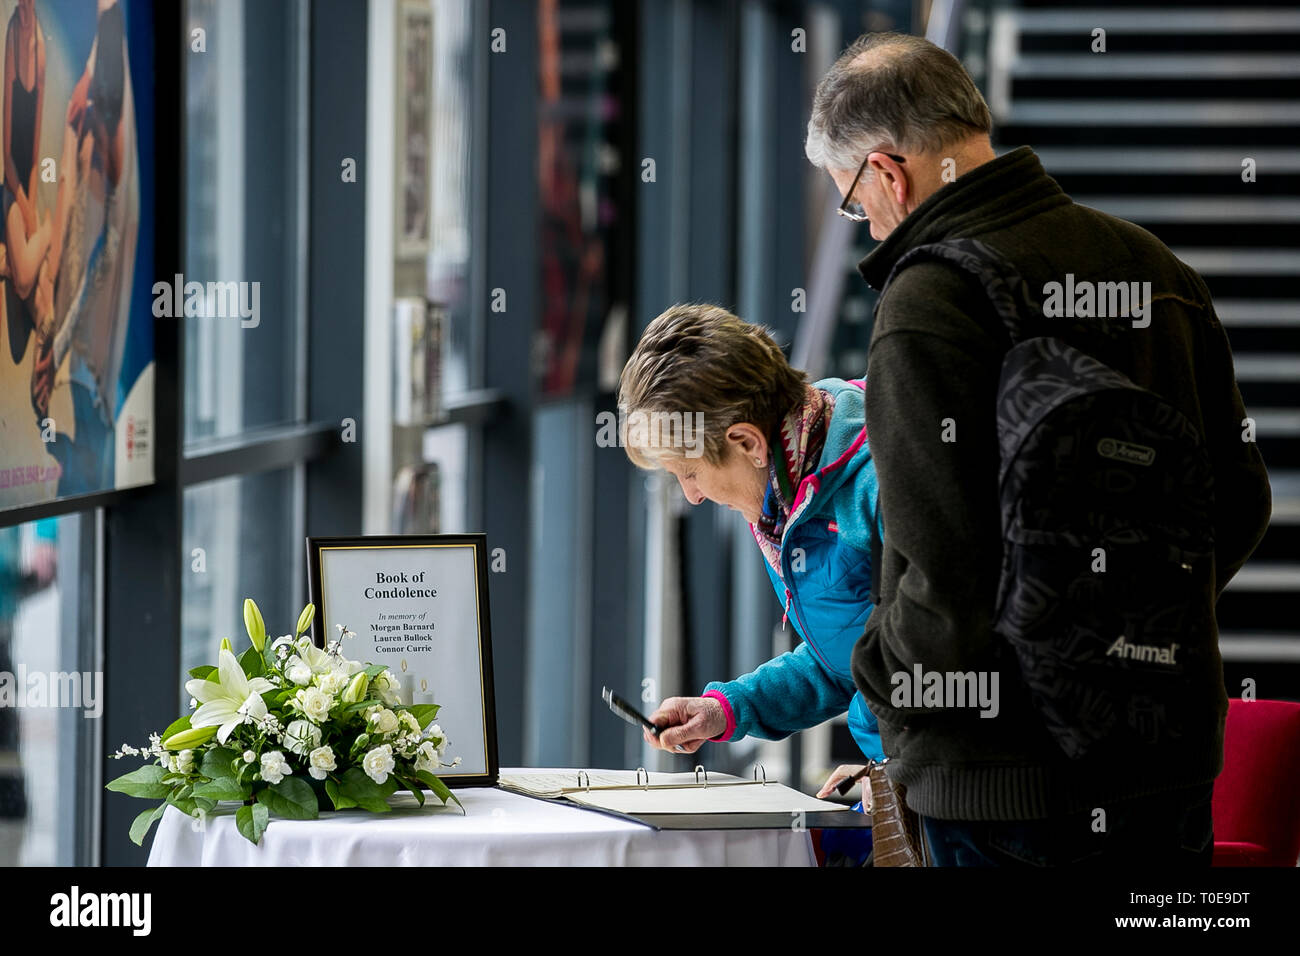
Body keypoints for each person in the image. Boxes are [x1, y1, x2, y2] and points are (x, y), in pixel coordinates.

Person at [803, 33, 1272, 865]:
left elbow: (941, 574)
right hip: (1165, 763)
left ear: (886, 172)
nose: (864, 220)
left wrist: (874, 670)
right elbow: (1238, 503)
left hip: (1002, 788)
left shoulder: (931, 301)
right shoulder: (1153, 266)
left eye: (851, 200)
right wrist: (1124, 629)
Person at [617, 304, 886, 800]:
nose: (693, 495)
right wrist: (730, 708)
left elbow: (943, 646)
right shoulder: (784, 498)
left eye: (690, 472)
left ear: (747, 442)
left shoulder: (879, 482)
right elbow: (844, 658)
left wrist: (891, 765)